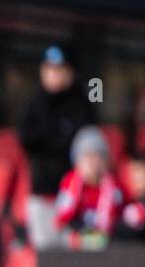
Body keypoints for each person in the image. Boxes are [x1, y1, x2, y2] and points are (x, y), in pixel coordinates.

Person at [20, 46, 94, 249]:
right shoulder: (35, 103)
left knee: (74, 260)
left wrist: (51, 139)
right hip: (42, 195)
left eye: (59, 69)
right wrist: (55, 135)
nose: (53, 75)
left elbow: (80, 145)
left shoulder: (81, 105)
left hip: (75, 198)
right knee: (46, 261)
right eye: (49, 69)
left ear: (70, 72)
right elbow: (28, 140)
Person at [54, 126, 124, 249]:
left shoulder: (114, 185)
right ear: (78, 160)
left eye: (97, 156)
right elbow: (62, 217)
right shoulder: (70, 183)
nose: (93, 163)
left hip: (108, 242)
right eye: (87, 156)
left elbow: (124, 212)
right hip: (77, 239)